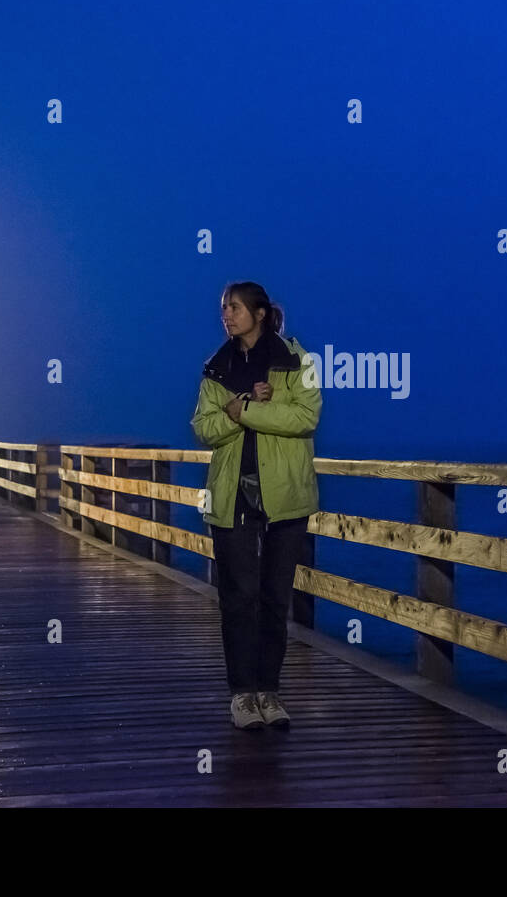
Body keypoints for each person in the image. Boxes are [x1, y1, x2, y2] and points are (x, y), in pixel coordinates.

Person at [191, 281, 321, 730]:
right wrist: (243, 402)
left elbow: (305, 417)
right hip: (232, 496)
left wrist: (240, 412)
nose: (226, 315)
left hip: (285, 496)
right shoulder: (217, 367)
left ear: (260, 313)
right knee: (238, 598)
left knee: (274, 597)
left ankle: (270, 690)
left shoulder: (297, 361)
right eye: (223, 308)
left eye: (235, 308)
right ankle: (243, 694)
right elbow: (203, 430)